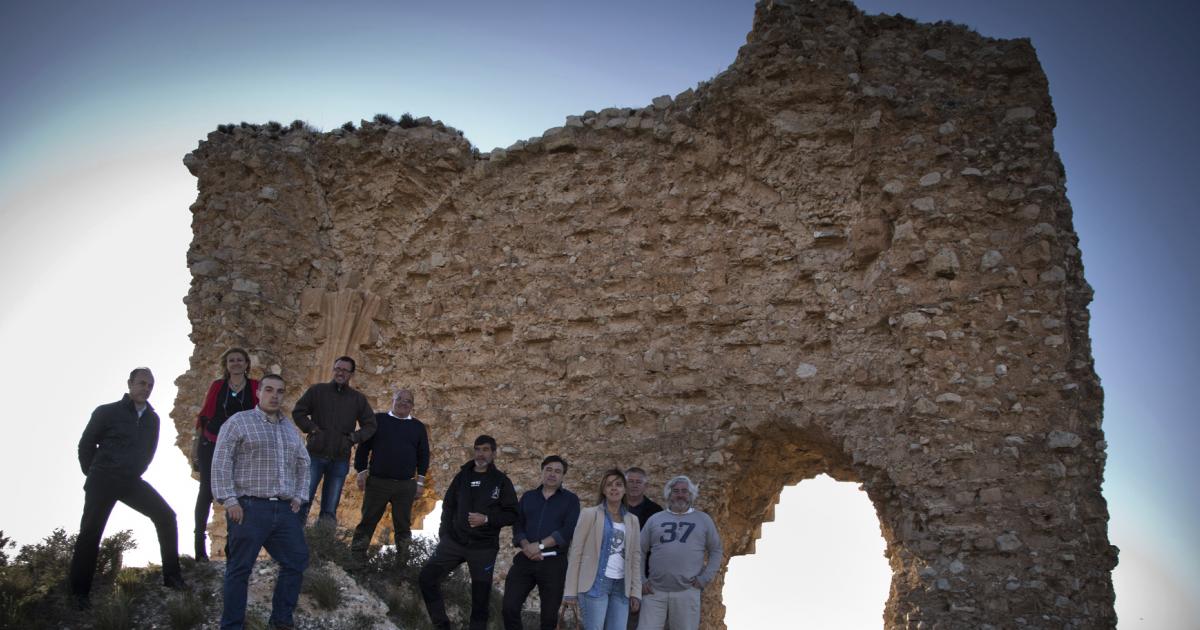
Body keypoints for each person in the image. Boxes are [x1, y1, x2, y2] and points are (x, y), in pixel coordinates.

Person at [69, 368, 184, 608]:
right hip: (102, 478)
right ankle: (78, 595)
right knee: (90, 534)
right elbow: (86, 444)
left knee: (166, 516)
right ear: (130, 384)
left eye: (150, 385)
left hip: (130, 481)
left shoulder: (153, 419)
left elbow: (149, 451)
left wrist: (135, 471)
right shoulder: (107, 412)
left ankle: (172, 578)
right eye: (141, 383)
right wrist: (93, 473)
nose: (146, 388)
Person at [211, 373, 311, 630]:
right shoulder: (239, 422)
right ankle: (232, 625)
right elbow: (221, 462)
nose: (274, 395)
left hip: (284, 510)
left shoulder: (290, 429)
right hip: (249, 508)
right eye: (269, 390)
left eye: (279, 391)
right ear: (258, 393)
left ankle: (281, 621)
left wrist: (299, 496)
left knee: (296, 560)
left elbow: (304, 463)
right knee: (239, 568)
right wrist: (230, 500)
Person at [419, 435, 519, 630]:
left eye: (486, 450)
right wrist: (444, 536)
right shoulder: (462, 476)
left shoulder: (501, 481)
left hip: (484, 548)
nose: (481, 454)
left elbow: (512, 514)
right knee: (427, 577)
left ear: (494, 453)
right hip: (454, 543)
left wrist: (487, 519)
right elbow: (448, 507)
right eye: (478, 449)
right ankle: (441, 625)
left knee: (480, 601)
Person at [193, 348, 259, 561]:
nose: (236, 363)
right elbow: (203, 416)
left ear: (247, 364)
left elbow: (261, 416)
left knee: (238, 492)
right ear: (226, 364)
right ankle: (199, 546)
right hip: (211, 442)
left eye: (240, 360)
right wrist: (195, 448)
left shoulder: (255, 387)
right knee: (207, 490)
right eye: (232, 360)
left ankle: (233, 545)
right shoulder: (218, 386)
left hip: (240, 448)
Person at [292, 355, 376, 523]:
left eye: (345, 370)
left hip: (340, 458)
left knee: (329, 510)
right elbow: (298, 412)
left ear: (351, 374)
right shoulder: (317, 391)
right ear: (333, 370)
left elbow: (371, 425)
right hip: (314, 455)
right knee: (302, 501)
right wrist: (312, 429)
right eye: (338, 369)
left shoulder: (357, 399)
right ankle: (294, 542)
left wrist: (353, 438)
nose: (340, 373)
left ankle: (323, 546)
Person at [502, 455, 581, 630]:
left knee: (549, 617)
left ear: (563, 476)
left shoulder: (571, 500)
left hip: (553, 564)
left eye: (558, 471)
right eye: (549, 469)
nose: (552, 474)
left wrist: (540, 546)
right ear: (542, 471)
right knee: (509, 607)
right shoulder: (529, 497)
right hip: (525, 559)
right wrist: (526, 546)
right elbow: (518, 524)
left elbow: (568, 530)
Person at [350, 388, 430, 556]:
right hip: (378, 482)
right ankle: (355, 560)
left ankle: (402, 566)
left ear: (412, 406)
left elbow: (423, 455)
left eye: (408, 401)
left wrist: (420, 482)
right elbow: (363, 448)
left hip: (405, 485)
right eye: (399, 399)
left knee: (403, 526)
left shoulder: (417, 427)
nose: (403, 403)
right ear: (392, 400)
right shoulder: (378, 420)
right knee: (368, 522)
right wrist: (361, 471)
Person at [637, 476, 723, 630]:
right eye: (676, 491)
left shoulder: (703, 520)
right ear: (669, 494)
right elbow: (639, 550)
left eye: (684, 491)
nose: (680, 494)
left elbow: (716, 550)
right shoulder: (655, 519)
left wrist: (704, 578)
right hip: (654, 592)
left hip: (687, 592)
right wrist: (641, 580)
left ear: (691, 495)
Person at [564, 469, 643, 630]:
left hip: (622, 586)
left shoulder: (632, 520)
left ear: (625, 490)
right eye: (609, 485)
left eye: (619, 485)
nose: (614, 488)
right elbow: (576, 553)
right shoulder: (589, 514)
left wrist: (636, 591)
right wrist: (570, 591)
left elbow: (635, 558)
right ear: (603, 490)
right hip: (595, 584)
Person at [623, 467, 662, 630]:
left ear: (645, 486)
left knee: (635, 622)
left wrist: (647, 579)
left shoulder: (656, 512)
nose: (634, 485)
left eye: (638, 482)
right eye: (630, 481)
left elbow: (658, 549)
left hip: (643, 576)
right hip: (615, 572)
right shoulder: (613, 506)